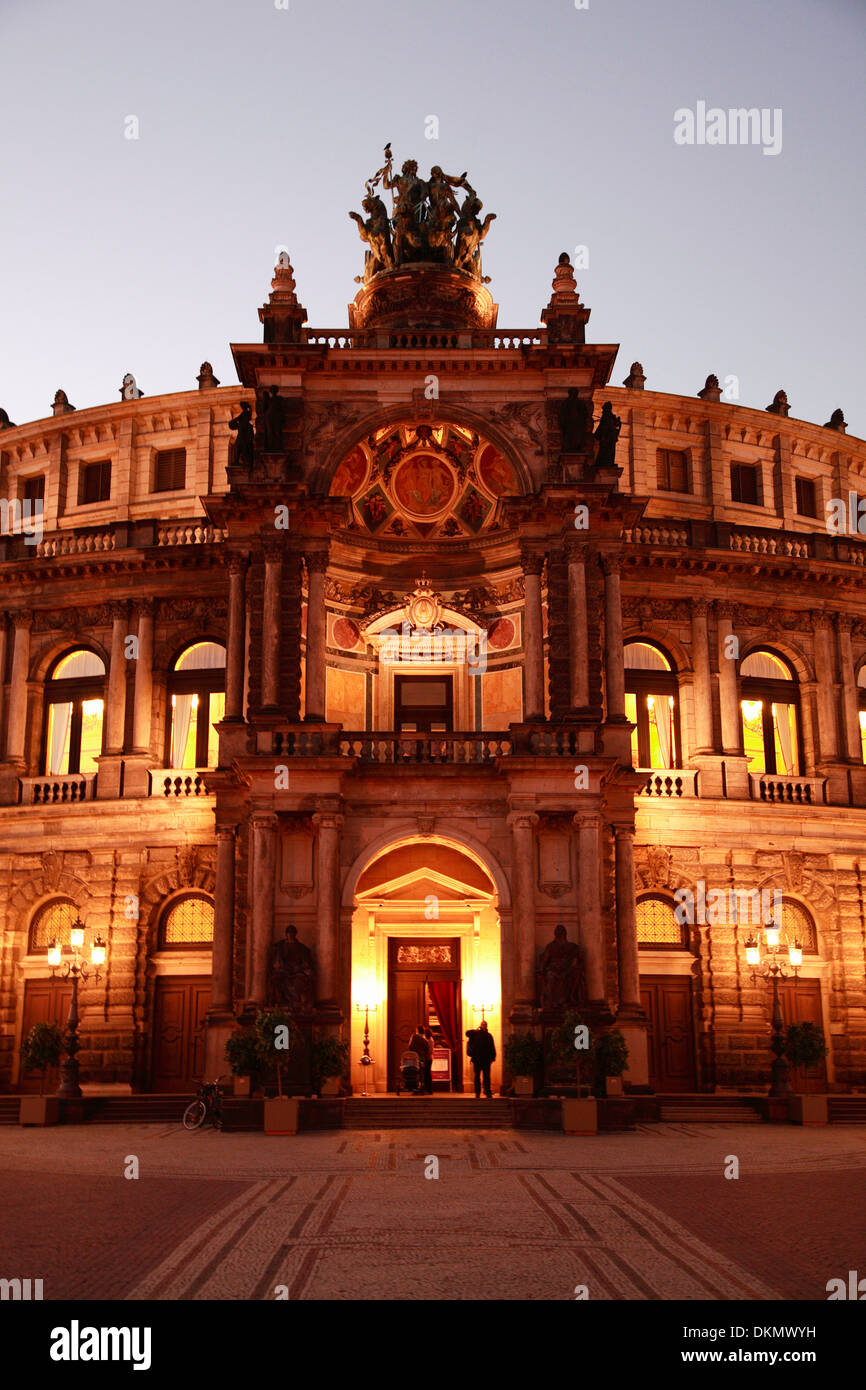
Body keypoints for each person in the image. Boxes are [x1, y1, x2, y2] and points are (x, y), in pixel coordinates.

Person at [466, 1019, 496, 1098]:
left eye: (485, 1025)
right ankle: (478, 1092)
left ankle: (487, 1091)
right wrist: (476, 1030)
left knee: (486, 1076)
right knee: (478, 1076)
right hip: (478, 1059)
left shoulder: (488, 1035)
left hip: (485, 1059)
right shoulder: (475, 1034)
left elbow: (492, 1047)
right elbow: (467, 1033)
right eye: (483, 1025)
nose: (484, 1026)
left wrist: (493, 1057)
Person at [408, 1024, 430, 1094]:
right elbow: (427, 1051)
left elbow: (410, 1046)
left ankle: (414, 1086)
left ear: (417, 1030)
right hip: (422, 1059)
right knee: (421, 1072)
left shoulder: (414, 1037)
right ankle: (421, 1087)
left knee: (413, 1072)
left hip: (414, 1058)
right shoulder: (425, 1040)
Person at [423, 1027, 435, 1094]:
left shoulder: (429, 1040)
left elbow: (429, 1050)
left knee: (427, 1074)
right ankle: (428, 1089)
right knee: (427, 1074)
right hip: (430, 1058)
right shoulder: (431, 1039)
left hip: (427, 1058)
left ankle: (429, 1089)